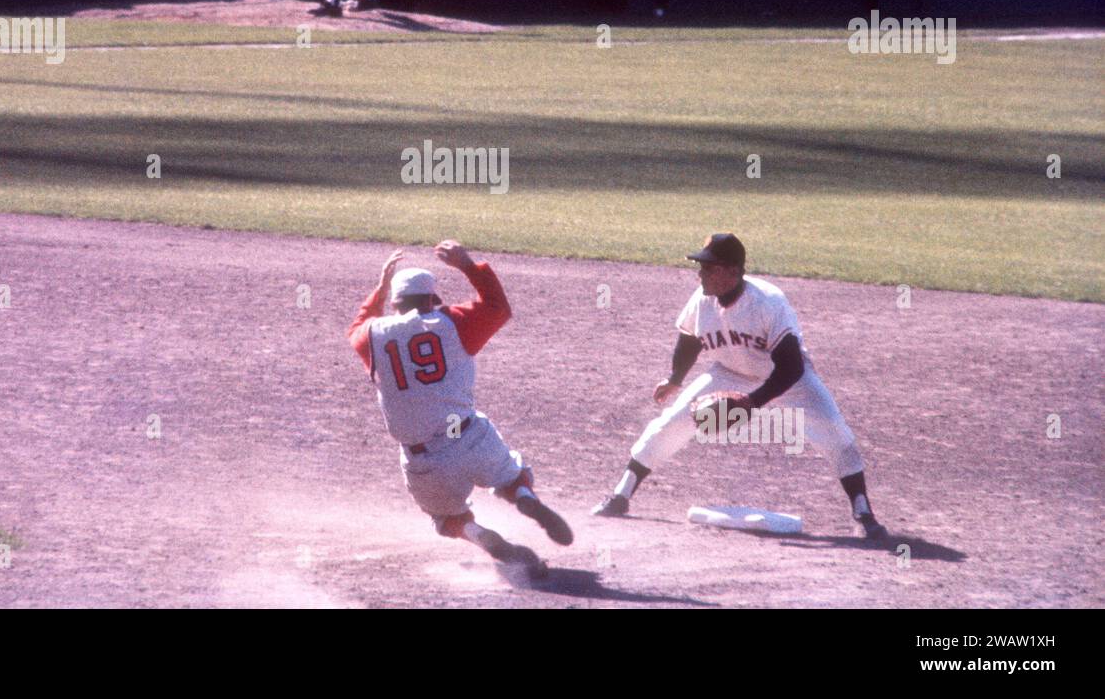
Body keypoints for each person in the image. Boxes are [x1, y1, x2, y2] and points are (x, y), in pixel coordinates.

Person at [591, 232, 891, 544]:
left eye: (709, 268)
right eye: (700, 267)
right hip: (729, 372)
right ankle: (620, 495)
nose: (700, 274)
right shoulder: (702, 299)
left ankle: (863, 512)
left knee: (834, 432)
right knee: (671, 422)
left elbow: (791, 366)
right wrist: (675, 379)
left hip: (786, 378)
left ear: (733, 271)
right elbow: (690, 340)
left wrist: (752, 402)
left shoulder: (767, 302)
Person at [347, 241, 574, 577]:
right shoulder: (451, 322)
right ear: (431, 300)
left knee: (447, 519)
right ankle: (525, 497)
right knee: (511, 475)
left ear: (394, 304)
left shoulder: (372, 337)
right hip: (465, 434)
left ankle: (477, 534)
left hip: (422, 457)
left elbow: (358, 326)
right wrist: (468, 265)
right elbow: (498, 308)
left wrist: (379, 289)